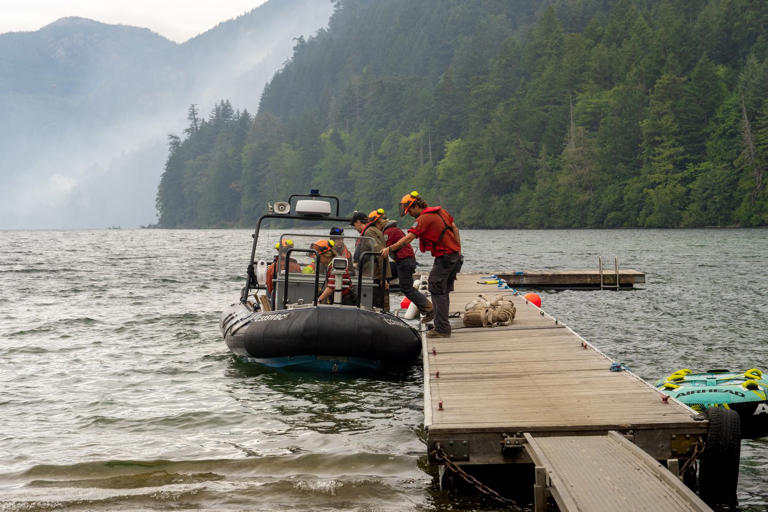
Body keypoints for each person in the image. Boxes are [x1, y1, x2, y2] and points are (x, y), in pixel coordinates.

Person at [381, 191, 462, 338]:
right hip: (454, 256)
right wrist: (458, 249)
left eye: (410, 211)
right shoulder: (441, 212)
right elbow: (455, 228)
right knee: (442, 290)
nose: (410, 214)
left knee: (436, 288)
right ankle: (442, 326)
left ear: (415, 206)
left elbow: (408, 239)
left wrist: (389, 248)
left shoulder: (423, 218)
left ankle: (442, 329)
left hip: (445, 257)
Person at [369, 208, 433, 322]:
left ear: (378, 223)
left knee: (406, 288)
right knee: (391, 280)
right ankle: (385, 308)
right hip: (404, 261)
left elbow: (383, 251)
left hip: (405, 261)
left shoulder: (388, 233)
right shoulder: (393, 230)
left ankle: (428, 308)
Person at [350, 211, 391, 311]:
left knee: (376, 306)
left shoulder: (369, 233)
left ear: (358, 222)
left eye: (354, 225)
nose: (355, 228)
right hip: (372, 274)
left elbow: (380, 253)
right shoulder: (372, 230)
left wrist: (383, 278)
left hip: (375, 276)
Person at [313, 239, 356, 305]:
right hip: (339, 298)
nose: (317, 259)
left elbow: (332, 286)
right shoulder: (331, 264)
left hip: (345, 301)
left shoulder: (336, 265)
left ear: (326, 254)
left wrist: (319, 300)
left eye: (318, 256)